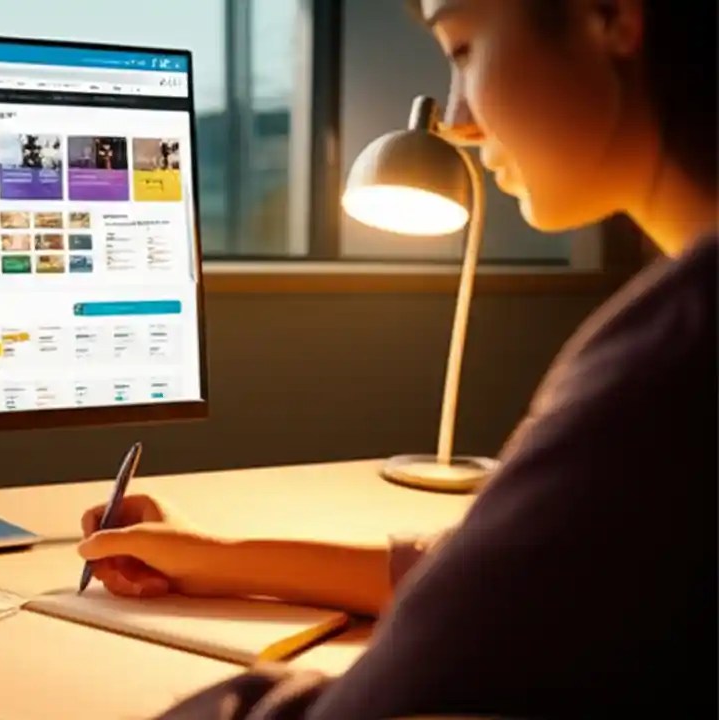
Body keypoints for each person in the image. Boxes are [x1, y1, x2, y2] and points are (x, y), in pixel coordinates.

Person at [76, 1, 717, 717]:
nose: (462, 119)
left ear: (611, 16)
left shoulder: (675, 360)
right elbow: (472, 574)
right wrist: (208, 555)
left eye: (465, 48)